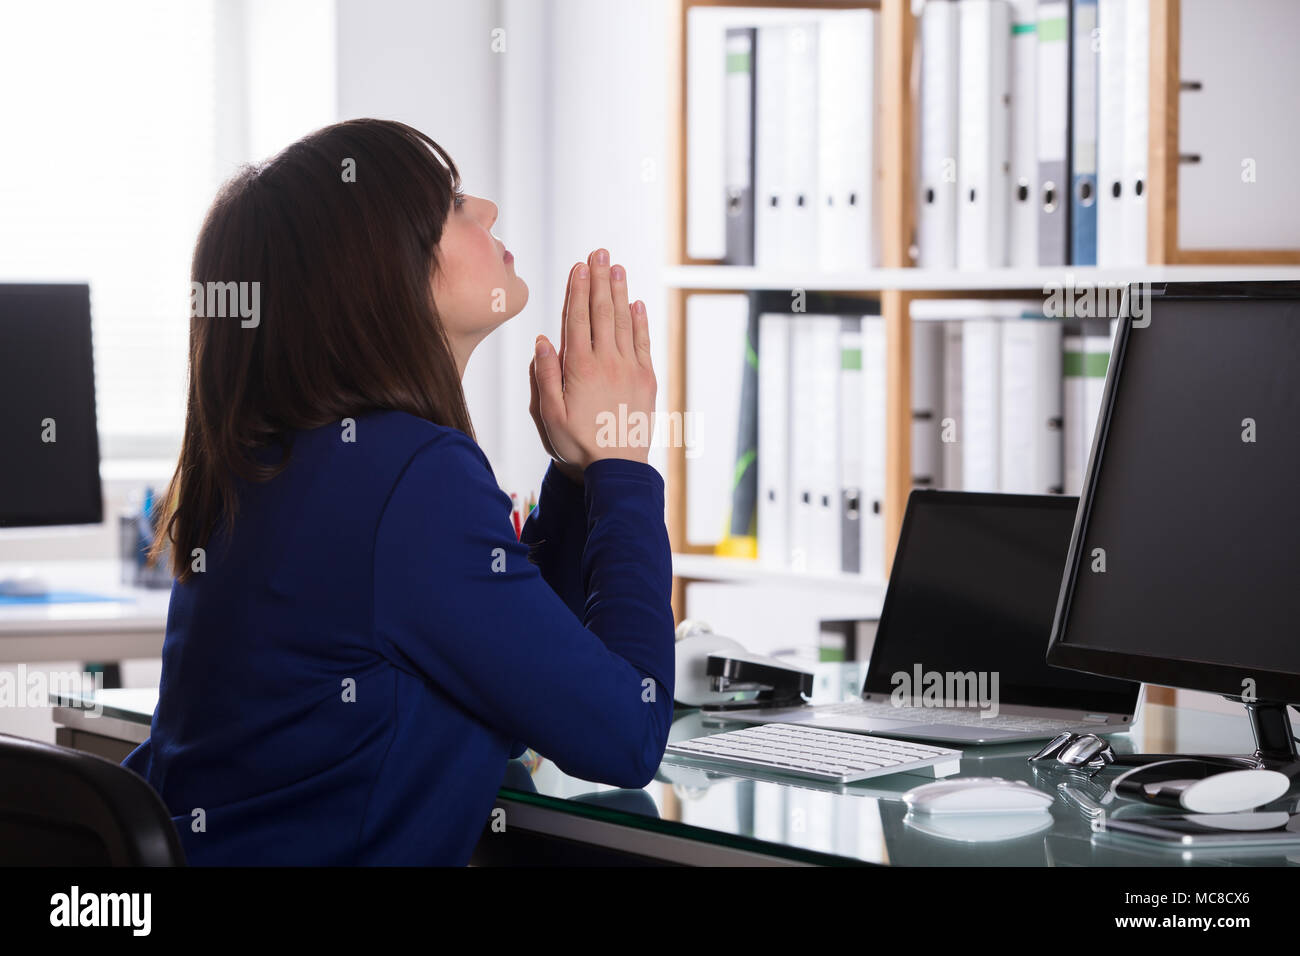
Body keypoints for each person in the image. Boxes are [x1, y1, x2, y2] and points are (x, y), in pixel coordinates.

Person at [122, 118, 675, 865]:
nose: (485, 208)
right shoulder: (407, 475)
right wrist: (626, 466)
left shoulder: (287, 461)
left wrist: (580, 480)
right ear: (378, 273)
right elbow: (626, 735)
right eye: (449, 204)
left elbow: (513, 693)